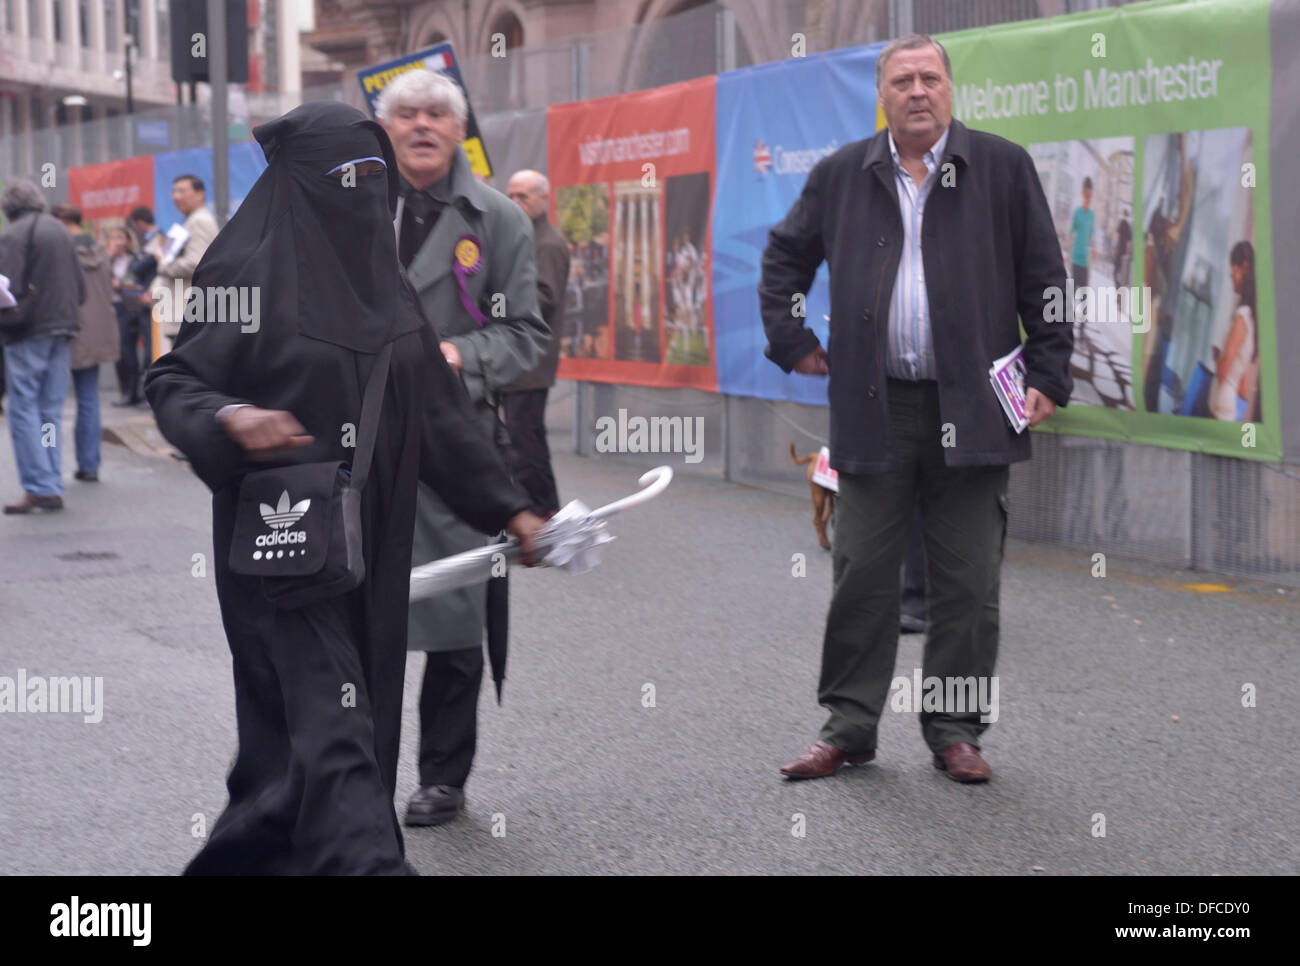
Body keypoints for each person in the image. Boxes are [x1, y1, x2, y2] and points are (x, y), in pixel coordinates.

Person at [145, 101, 544, 875]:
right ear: (301, 182)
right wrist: (232, 416)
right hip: (284, 551)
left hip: (371, 551)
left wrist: (515, 510)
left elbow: (437, 416)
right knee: (334, 737)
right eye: (343, 177)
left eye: (374, 177)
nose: (360, 193)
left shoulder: (383, 283)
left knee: (310, 754)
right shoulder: (247, 268)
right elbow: (173, 378)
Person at [760, 34, 1073, 784]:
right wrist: (791, 338)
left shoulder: (1000, 166)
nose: (918, 91)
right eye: (902, 80)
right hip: (875, 407)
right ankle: (849, 726)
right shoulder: (843, 174)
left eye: (930, 77)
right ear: (884, 96)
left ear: (952, 89)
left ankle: (955, 730)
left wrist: (1051, 370)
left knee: (967, 582)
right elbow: (783, 259)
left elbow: (1046, 277)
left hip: (974, 404)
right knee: (863, 571)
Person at [375, 68, 550, 828]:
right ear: (385, 129)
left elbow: (527, 338)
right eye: (405, 114)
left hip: (457, 449)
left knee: (454, 615)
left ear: (457, 129)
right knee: (363, 615)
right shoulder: (352, 208)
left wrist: (460, 357)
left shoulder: (499, 219)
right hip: (364, 446)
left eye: (435, 114)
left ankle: (443, 776)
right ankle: (355, 770)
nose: (420, 125)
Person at [0, 180, 86, 515]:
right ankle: (51, 482)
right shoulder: (60, 230)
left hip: (27, 329)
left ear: (9, 207)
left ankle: (39, 486)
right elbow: (80, 287)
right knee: (50, 409)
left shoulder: (14, 234)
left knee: (22, 408)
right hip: (63, 326)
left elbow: (7, 285)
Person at [502, 169, 570, 519]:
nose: (515, 202)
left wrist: (495, 301)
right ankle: (533, 508)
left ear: (544, 199)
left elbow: (545, 297)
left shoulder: (548, 243)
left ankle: (545, 511)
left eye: (523, 196)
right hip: (517, 358)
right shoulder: (523, 236)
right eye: (511, 195)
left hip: (531, 361)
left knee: (526, 440)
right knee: (519, 439)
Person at [51, 204, 119, 483]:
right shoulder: (100, 251)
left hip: (67, 329)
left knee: (51, 402)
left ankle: (48, 471)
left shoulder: (62, 252)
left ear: (61, 222)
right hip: (98, 331)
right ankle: (89, 464)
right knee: (89, 399)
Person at [150, 175, 218, 350]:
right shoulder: (192, 220)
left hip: (188, 311)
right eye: (174, 191)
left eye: (182, 191)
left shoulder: (199, 221)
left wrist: (163, 262)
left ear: (200, 194)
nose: (176, 196)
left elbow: (195, 263)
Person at [1210, 241, 1257, 422]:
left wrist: (1217, 358)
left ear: (1244, 268)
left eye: (1233, 268)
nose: (1231, 273)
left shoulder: (1242, 316)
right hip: (1228, 409)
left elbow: (1223, 372)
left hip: (1219, 407)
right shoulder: (1252, 320)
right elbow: (1243, 388)